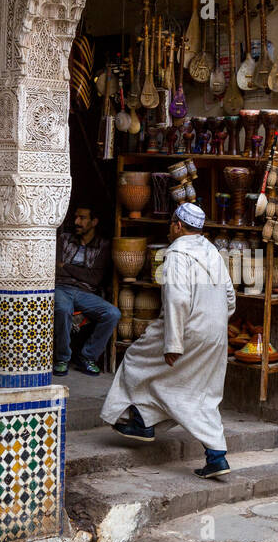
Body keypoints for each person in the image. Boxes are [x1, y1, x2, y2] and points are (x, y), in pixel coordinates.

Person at [101, 202, 236, 479]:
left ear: (177, 225)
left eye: (171, 224)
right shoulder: (212, 251)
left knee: (136, 360)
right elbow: (230, 297)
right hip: (215, 333)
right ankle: (216, 456)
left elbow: (177, 299)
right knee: (200, 390)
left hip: (187, 331)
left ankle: (142, 422)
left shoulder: (176, 254)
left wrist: (173, 344)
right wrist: (216, 323)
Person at [54, 205, 120, 376]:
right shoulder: (65, 239)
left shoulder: (102, 245)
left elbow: (94, 278)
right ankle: (62, 358)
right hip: (61, 288)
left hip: (86, 292)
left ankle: (87, 357)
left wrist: (67, 266)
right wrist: (80, 272)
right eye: (76, 217)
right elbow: (56, 269)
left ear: (94, 222)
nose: (77, 222)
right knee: (62, 309)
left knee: (112, 313)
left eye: (82, 218)